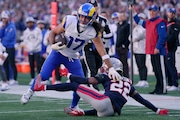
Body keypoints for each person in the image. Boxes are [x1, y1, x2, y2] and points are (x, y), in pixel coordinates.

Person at [21, 3, 121, 111]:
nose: (83, 19)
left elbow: (102, 50)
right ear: (78, 15)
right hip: (58, 53)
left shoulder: (93, 31)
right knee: (44, 75)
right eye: (82, 16)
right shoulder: (69, 20)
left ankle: (74, 106)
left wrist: (110, 67)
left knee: (80, 83)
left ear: (92, 19)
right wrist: (52, 45)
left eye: (87, 17)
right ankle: (30, 91)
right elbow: (53, 32)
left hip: (72, 57)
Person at [33, 57, 168, 117]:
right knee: (101, 104)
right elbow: (141, 100)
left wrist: (68, 74)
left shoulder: (107, 76)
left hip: (104, 102)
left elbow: (86, 80)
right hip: (109, 113)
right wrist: (157, 110)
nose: (104, 68)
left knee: (75, 85)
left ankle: (42, 87)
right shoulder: (128, 84)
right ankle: (83, 112)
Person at [131, 4, 167, 94]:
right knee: (156, 70)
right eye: (150, 11)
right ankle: (158, 88)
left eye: (153, 11)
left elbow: (162, 36)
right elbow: (139, 22)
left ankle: (163, 88)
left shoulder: (160, 22)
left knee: (160, 70)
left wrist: (158, 47)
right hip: (151, 50)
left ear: (157, 12)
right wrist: (133, 12)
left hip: (158, 51)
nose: (151, 13)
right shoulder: (148, 22)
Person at [83, 0, 113, 90]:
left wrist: (101, 37)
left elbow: (110, 33)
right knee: (91, 69)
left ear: (97, 7)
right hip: (88, 47)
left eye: (94, 6)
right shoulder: (84, 19)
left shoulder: (103, 20)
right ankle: (93, 87)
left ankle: (93, 84)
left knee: (98, 67)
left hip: (99, 47)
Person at [21, 17, 42, 85]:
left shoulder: (37, 30)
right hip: (30, 50)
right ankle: (32, 78)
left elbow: (39, 39)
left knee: (38, 65)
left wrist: (34, 46)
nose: (29, 24)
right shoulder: (26, 32)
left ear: (33, 23)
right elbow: (25, 41)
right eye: (28, 23)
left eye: (31, 22)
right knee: (31, 65)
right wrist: (29, 47)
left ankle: (39, 79)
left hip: (37, 49)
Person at [0, 10, 18, 85]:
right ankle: (6, 79)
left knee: (12, 63)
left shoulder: (12, 26)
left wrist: (2, 40)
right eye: (2, 18)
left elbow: (8, 38)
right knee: (5, 63)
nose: (3, 20)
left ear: (8, 18)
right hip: (4, 47)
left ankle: (14, 79)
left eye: (5, 18)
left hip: (10, 47)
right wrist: (2, 28)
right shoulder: (3, 26)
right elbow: (0, 36)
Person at [132, 13, 148, 88]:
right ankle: (141, 80)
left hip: (142, 49)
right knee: (139, 65)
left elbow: (137, 37)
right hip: (136, 49)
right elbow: (130, 37)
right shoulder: (136, 28)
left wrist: (134, 38)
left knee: (142, 65)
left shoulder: (144, 28)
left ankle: (144, 80)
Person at [165, 8, 180, 91]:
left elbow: (173, 38)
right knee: (168, 66)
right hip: (167, 49)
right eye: (170, 12)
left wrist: (165, 40)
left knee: (171, 66)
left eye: (173, 13)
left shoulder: (175, 25)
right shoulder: (168, 24)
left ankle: (175, 83)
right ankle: (170, 83)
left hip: (171, 48)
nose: (171, 14)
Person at [115, 12, 130, 78]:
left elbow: (128, 36)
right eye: (119, 16)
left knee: (124, 63)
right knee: (119, 63)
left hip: (123, 47)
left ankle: (126, 76)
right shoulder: (118, 25)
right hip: (118, 47)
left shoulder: (127, 25)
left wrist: (125, 45)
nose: (120, 18)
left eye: (121, 16)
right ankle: (121, 76)